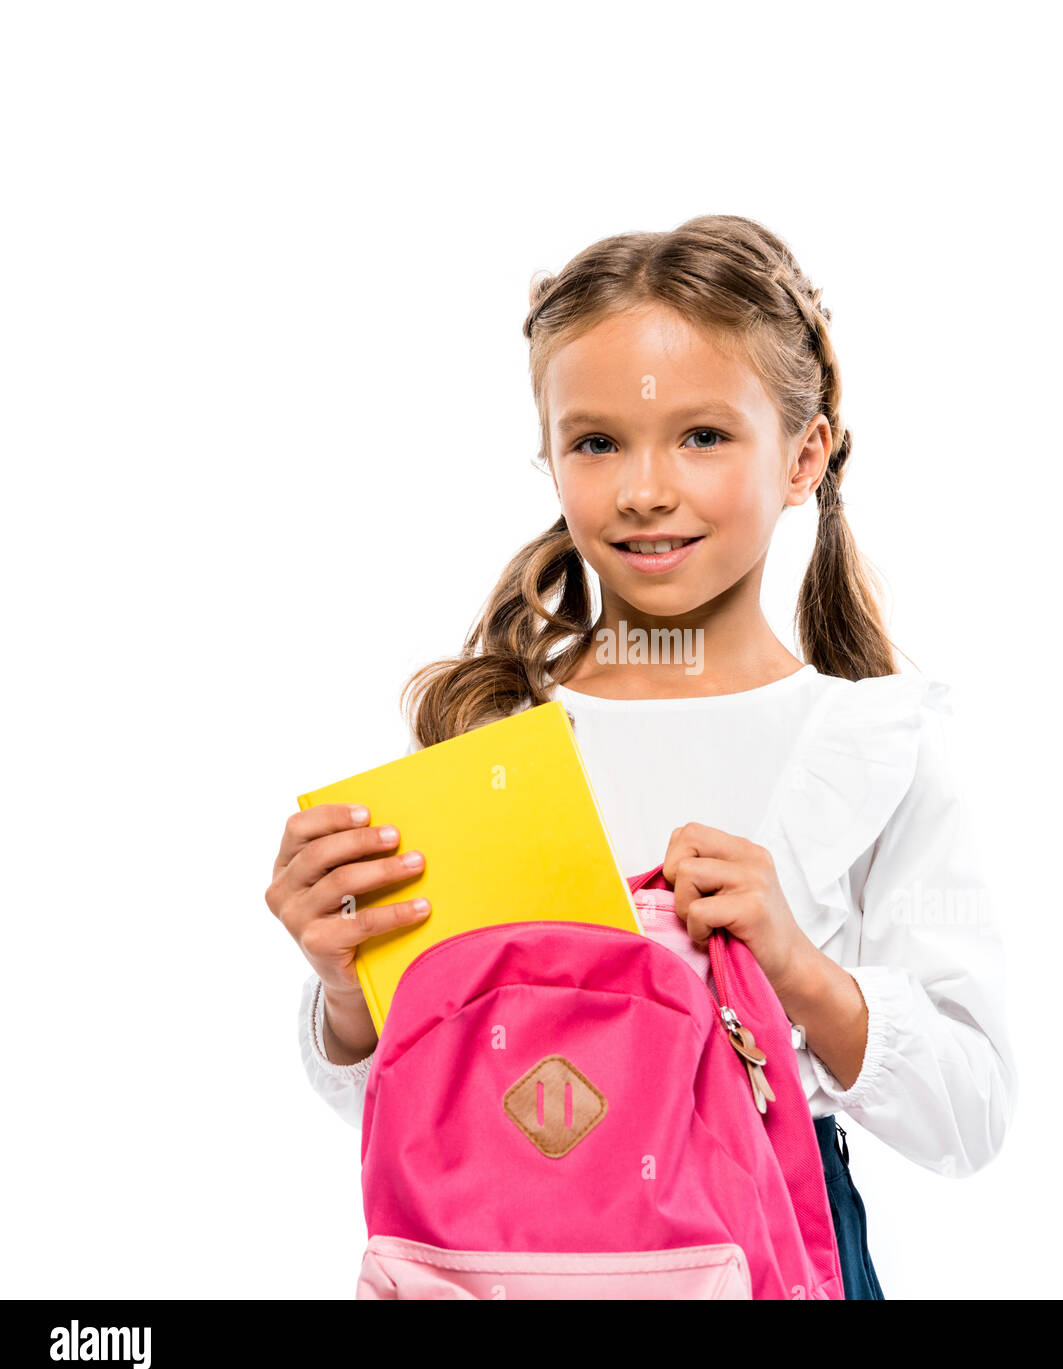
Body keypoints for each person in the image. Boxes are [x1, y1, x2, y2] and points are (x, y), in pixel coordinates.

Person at [264, 214, 1017, 1300]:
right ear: (552, 455)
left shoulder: (875, 750)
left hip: (764, 1243)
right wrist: (347, 989)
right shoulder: (492, 752)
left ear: (803, 456)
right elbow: (422, 1101)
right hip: (505, 1249)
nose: (643, 489)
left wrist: (797, 970)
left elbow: (971, 1111)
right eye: (597, 441)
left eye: (702, 437)